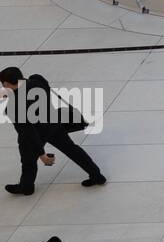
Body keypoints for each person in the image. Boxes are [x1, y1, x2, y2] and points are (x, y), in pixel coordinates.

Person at [2, 66, 106, 195]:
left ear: (6, 84)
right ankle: (97, 175)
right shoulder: (37, 80)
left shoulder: (13, 107)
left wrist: (42, 154)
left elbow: (27, 132)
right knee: (72, 149)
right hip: (53, 124)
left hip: (36, 132)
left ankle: (26, 187)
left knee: (28, 160)